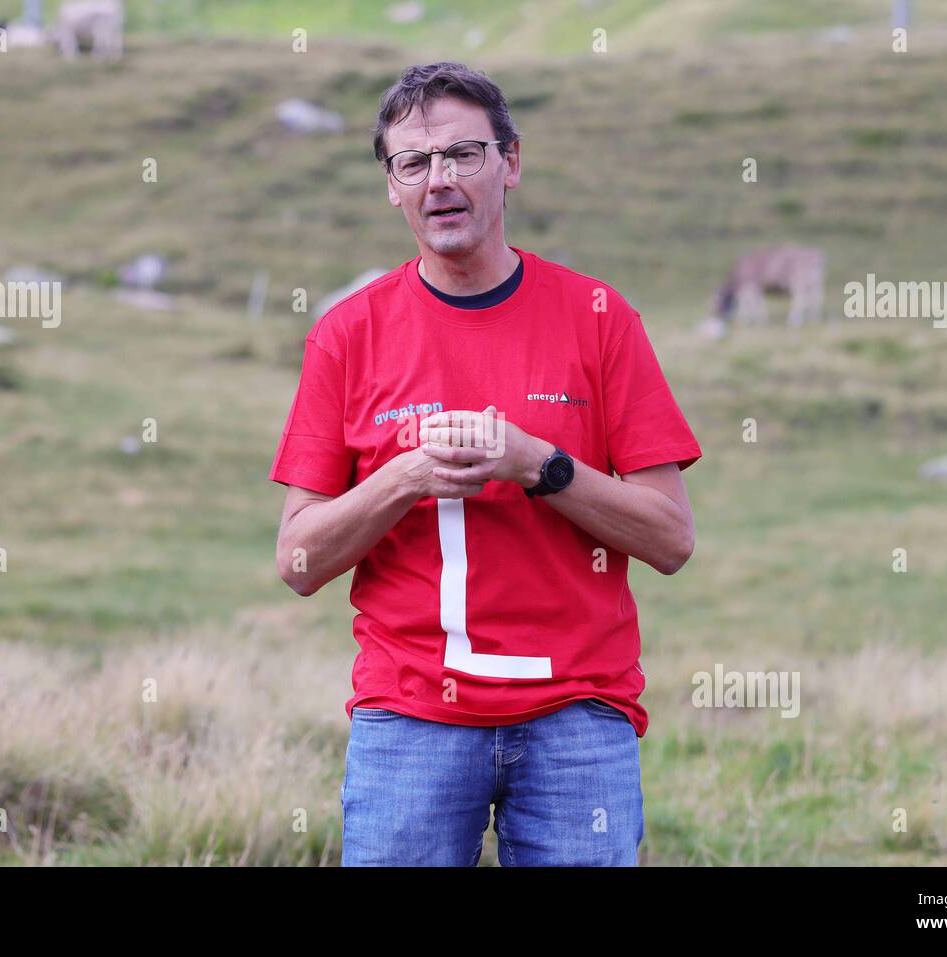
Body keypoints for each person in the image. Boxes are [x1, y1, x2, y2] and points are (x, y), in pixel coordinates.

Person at [268, 61, 701, 866]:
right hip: (409, 717)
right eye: (414, 162)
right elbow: (297, 560)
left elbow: (672, 539)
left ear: (512, 163)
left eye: (464, 154)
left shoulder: (600, 320)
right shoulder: (347, 334)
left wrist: (540, 463)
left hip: (578, 713)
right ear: (391, 187)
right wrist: (403, 477)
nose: (440, 179)